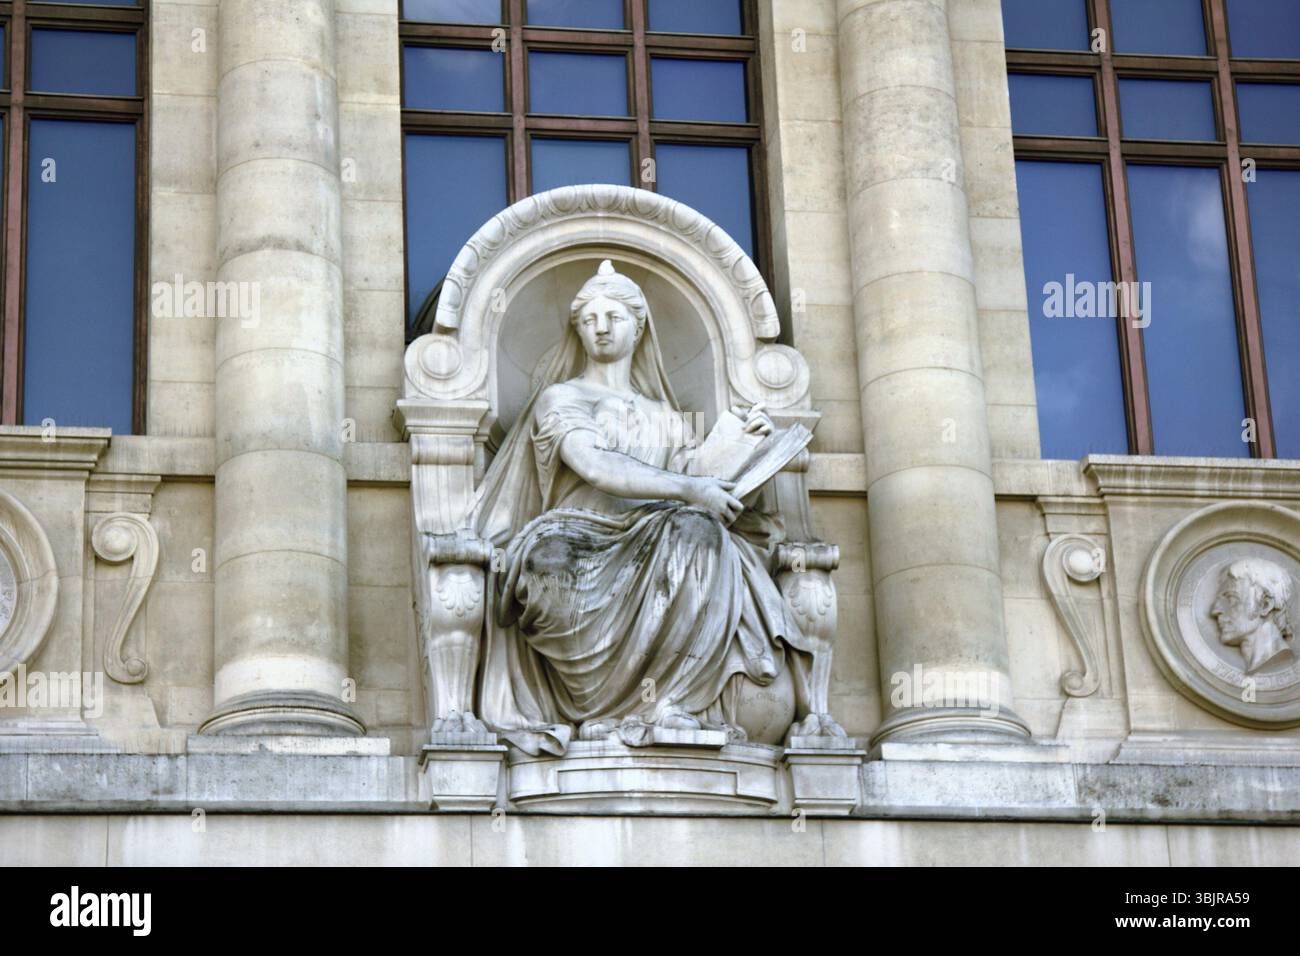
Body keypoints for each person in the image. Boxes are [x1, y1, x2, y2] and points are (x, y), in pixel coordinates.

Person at [471, 260, 834, 754]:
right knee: (550, 563)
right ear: (576, 329)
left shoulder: (662, 415)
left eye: (613, 317)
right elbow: (594, 464)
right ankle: (599, 710)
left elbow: (696, 474)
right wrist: (690, 489)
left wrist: (742, 448)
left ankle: (669, 704)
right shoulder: (561, 398)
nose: (601, 328)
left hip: (665, 534)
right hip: (576, 539)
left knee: (699, 533)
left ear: (639, 327)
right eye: (589, 319)